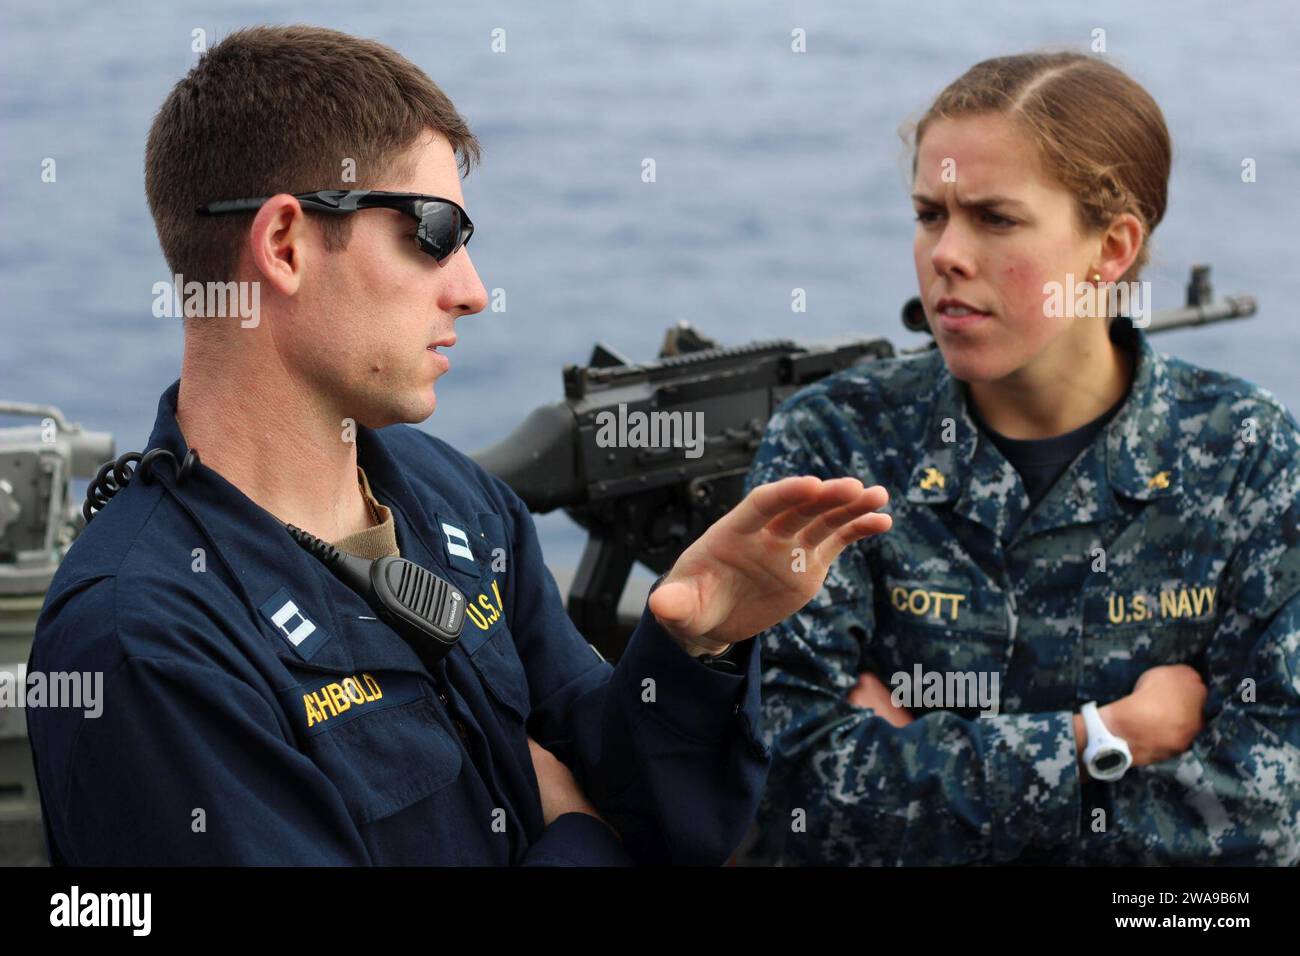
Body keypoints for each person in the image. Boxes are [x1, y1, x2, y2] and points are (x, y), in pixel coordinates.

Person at [25, 25, 893, 866]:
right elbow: (603, 825)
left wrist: (698, 650)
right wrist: (581, 837)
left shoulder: (454, 502)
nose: (473, 292)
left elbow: (655, 814)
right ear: (285, 245)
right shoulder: (143, 643)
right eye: (432, 233)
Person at [744, 51, 1300, 865]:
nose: (946, 254)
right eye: (930, 214)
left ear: (1110, 249)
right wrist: (1105, 739)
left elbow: (1259, 822)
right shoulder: (835, 446)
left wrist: (918, 772)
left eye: (995, 219)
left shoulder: (1249, 457)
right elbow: (790, 792)